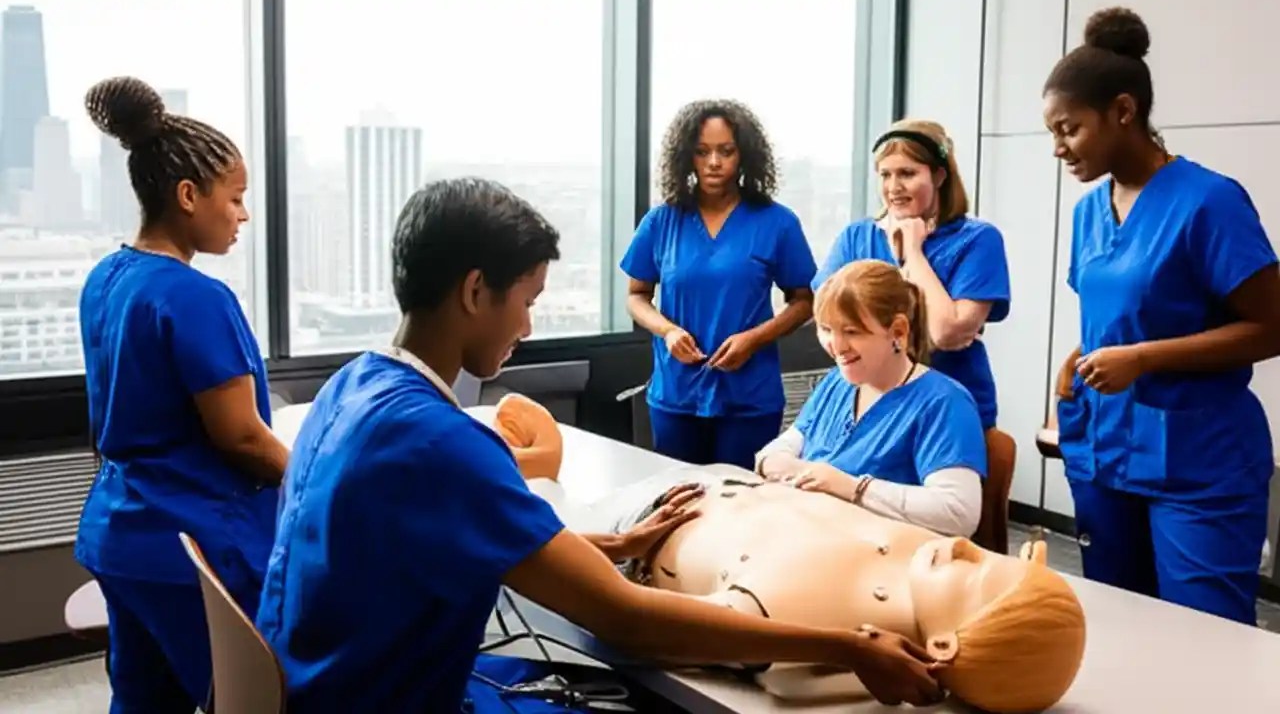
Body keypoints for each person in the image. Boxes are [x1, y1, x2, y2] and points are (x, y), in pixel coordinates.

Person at [256, 178, 944, 713]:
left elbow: (457, 536)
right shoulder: (441, 443)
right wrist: (850, 646)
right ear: (474, 291)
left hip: (314, 682)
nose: (528, 323)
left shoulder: (353, 386)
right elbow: (628, 621)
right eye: (527, 299)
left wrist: (614, 546)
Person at [492, 399, 1086, 714]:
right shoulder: (924, 556)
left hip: (642, 534)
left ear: (942, 649)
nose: (963, 546)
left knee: (537, 519)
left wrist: (847, 655)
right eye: (983, 555)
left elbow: (642, 625)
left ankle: (543, 483)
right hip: (717, 488)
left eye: (974, 572)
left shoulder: (835, 627)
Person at [1043, 7, 1280, 625]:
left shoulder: (1209, 201)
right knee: (1118, 628)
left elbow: (1272, 325)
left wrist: (1144, 358)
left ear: (1123, 111)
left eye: (1069, 129)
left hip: (1198, 462)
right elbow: (1121, 314)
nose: (1058, 148)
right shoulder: (1089, 212)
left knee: (1205, 639)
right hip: (1105, 449)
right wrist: (1078, 359)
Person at [75, 77, 288, 713]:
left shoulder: (106, 278)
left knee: (146, 701)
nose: (244, 214)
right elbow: (243, 438)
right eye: (237, 198)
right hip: (192, 546)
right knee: (257, 699)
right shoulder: (195, 298)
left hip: (120, 532)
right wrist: (318, 481)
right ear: (189, 195)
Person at [621, 99, 817, 470]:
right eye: (702, 152)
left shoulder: (778, 222)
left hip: (749, 397)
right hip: (676, 394)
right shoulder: (661, 221)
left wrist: (754, 340)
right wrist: (667, 331)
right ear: (686, 157)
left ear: (744, 155)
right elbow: (636, 295)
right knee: (680, 503)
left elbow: (804, 302)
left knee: (740, 505)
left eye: (726, 151)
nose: (714, 162)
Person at [756, 260, 988, 538]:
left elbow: (958, 513)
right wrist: (774, 462)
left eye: (852, 332)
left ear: (898, 332)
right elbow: (782, 448)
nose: (837, 347)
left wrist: (852, 487)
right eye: (826, 329)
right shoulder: (837, 384)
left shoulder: (944, 403)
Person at [813, 120, 1011, 430]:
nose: (893, 187)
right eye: (885, 175)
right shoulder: (857, 237)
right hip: (868, 404)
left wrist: (914, 254)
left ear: (939, 176)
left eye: (907, 173)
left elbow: (947, 333)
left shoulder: (978, 239)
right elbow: (827, 322)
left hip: (950, 408)